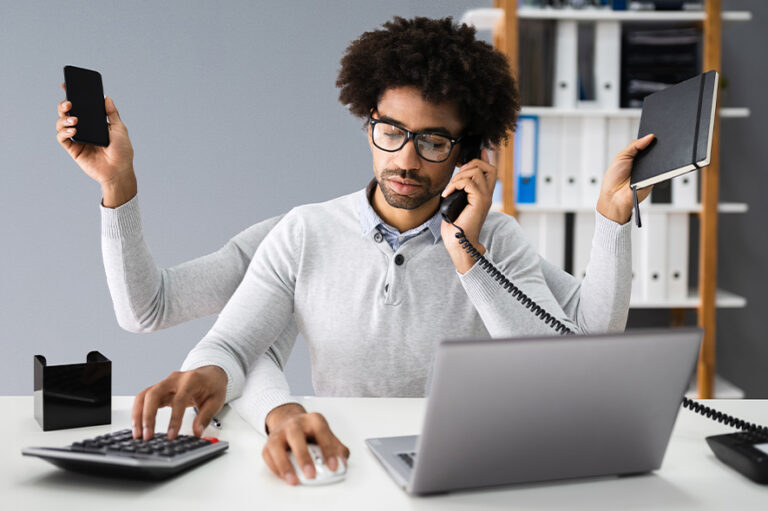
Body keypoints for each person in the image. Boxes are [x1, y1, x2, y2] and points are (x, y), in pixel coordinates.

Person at [55, 16, 653, 486]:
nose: (405, 160)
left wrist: (602, 223)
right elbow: (225, 339)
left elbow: (580, 346)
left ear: (469, 151)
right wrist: (117, 188)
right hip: (344, 458)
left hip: (472, 464)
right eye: (390, 132)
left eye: (433, 141)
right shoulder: (304, 232)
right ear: (368, 121)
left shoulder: (495, 239)